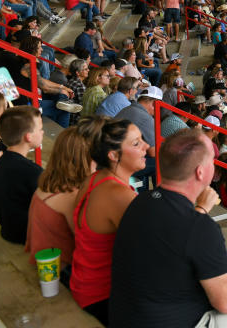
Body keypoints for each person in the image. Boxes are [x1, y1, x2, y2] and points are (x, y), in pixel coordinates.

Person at [109, 128, 227, 328]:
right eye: (212, 160)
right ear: (200, 171)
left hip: (129, 317)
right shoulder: (200, 227)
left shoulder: (140, 201)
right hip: (177, 321)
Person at [70, 118, 147, 324]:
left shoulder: (94, 179)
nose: (146, 146)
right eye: (136, 143)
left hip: (84, 285)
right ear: (113, 155)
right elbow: (153, 251)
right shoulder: (119, 195)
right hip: (103, 297)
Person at [26, 118, 102, 274]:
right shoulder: (71, 196)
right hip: (59, 269)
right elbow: (87, 241)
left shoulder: (49, 183)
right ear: (83, 161)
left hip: (43, 258)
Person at [0, 106, 45, 244]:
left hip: (8, 229)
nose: (43, 132)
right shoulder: (32, 171)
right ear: (28, 137)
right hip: (27, 235)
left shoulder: (2, 161)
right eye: (40, 129)